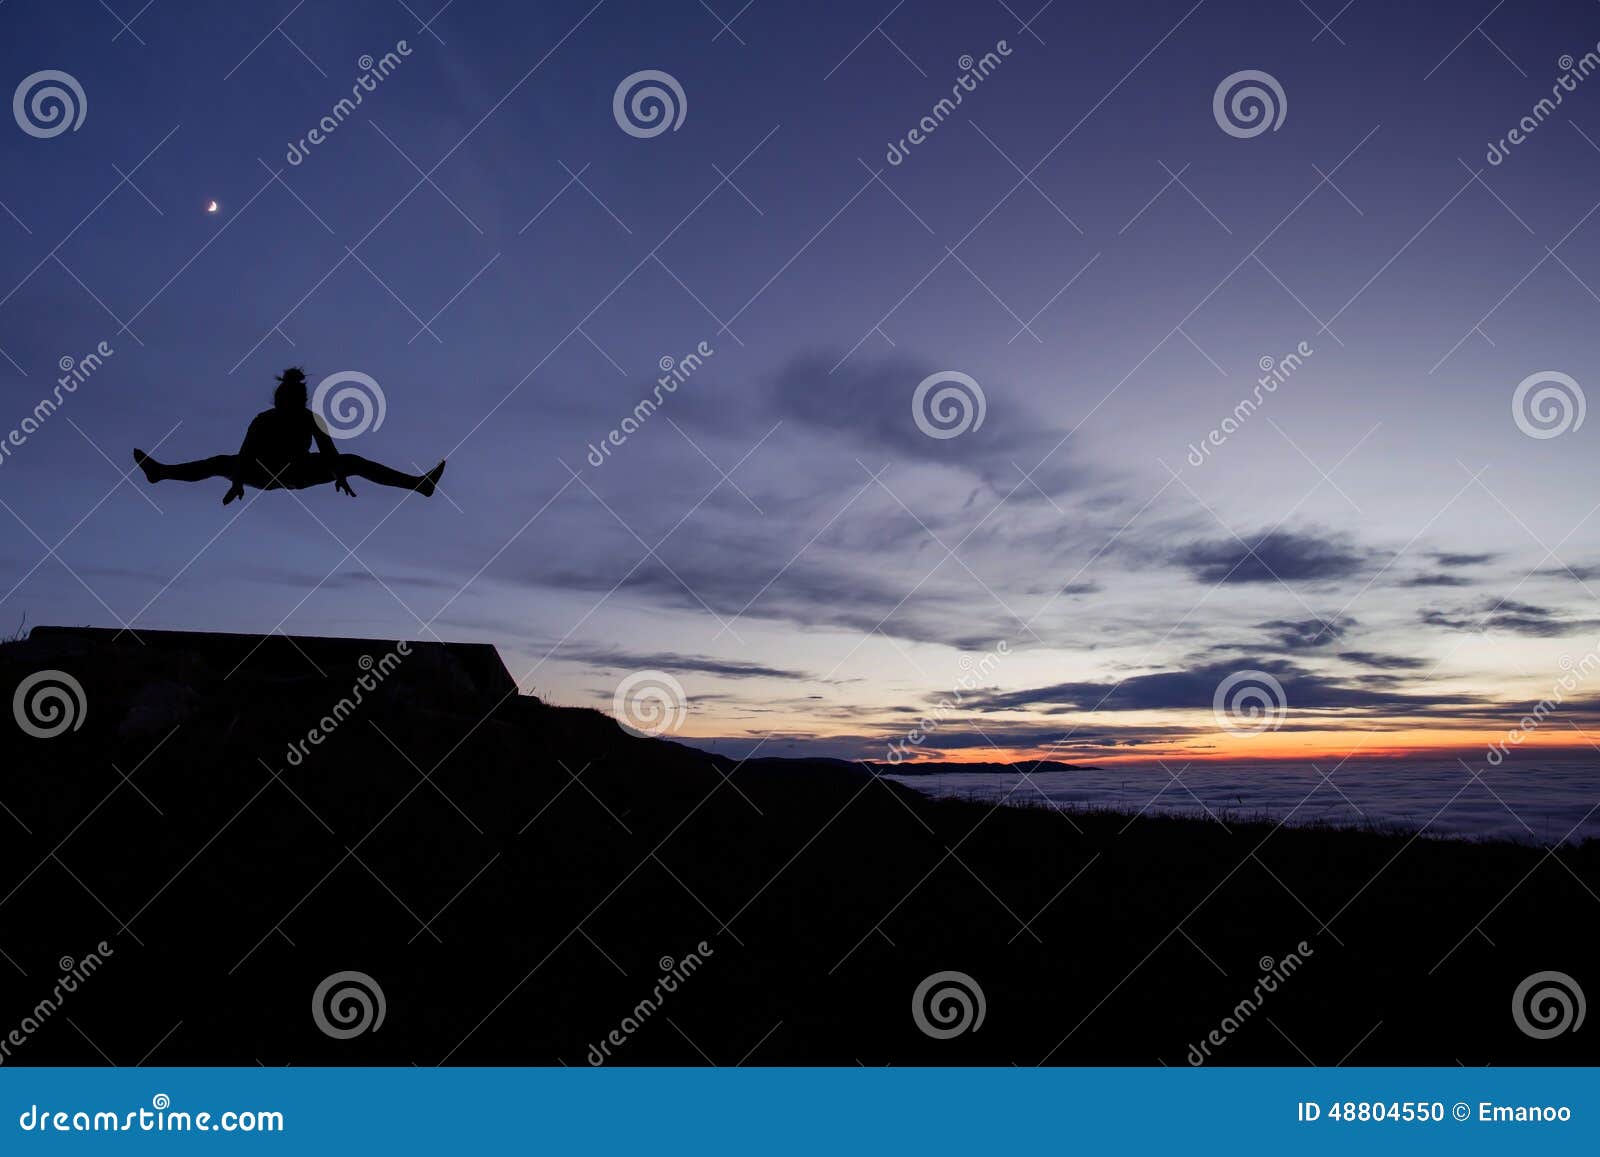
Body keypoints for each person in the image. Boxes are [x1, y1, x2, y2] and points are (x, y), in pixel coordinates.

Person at [132, 368, 445, 505]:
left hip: (299, 471)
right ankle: (160, 473)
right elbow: (243, 455)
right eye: (285, 403)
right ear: (279, 401)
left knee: (353, 461)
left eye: (294, 403)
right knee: (218, 462)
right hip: (262, 472)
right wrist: (239, 481)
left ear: (299, 402)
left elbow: (331, 453)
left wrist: (339, 473)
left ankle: (419, 485)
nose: (289, 408)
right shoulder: (263, 421)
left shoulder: (310, 419)